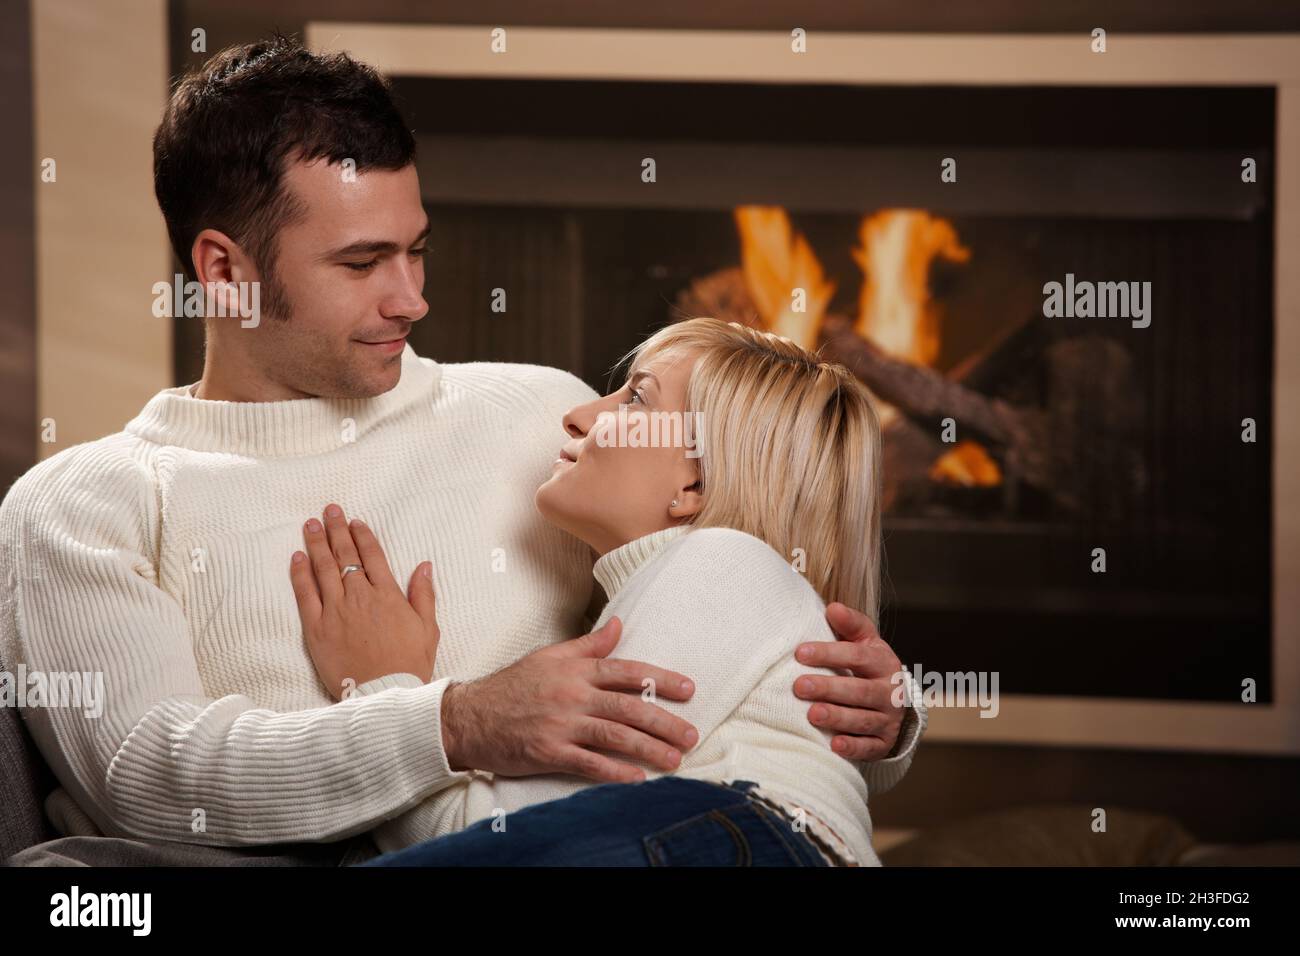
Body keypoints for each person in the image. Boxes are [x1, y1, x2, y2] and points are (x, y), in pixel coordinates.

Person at [0, 36, 922, 864]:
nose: (412, 299)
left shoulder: (545, 415)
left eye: (418, 250)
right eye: (362, 265)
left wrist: (880, 714)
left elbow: (716, 670)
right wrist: (450, 722)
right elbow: (149, 777)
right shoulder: (90, 501)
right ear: (224, 271)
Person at [293, 318, 907, 866]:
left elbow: (494, 834)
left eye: (636, 398)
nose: (580, 415)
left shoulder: (723, 561)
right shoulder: (683, 593)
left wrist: (387, 687)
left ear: (695, 482)